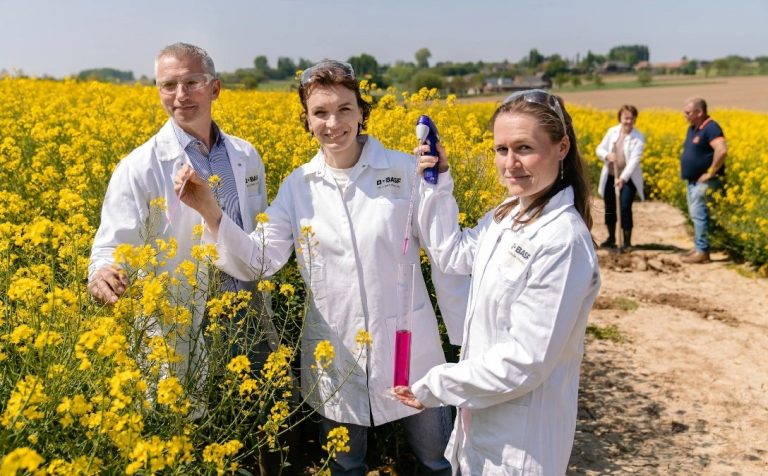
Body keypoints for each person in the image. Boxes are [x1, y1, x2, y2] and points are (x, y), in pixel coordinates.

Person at [175, 59, 469, 475]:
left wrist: (441, 181)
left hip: (410, 345)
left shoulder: (405, 170)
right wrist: (211, 212)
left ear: (362, 112)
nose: (333, 123)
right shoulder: (299, 186)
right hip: (337, 350)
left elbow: (446, 248)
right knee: (346, 464)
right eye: (320, 113)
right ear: (307, 120)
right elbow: (262, 258)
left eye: (345, 109)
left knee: (438, 459)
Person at [393, 90, 601, 475]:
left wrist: (434, 386)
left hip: (521, 445)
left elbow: (525, 361)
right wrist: (438, 182)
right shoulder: (508, 215)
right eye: (501, 149)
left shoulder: (562, 241)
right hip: (482, 424)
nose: (511, 163)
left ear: (561, 147)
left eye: (524, 147)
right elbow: (452, 253)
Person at [88, 42, 269, 378]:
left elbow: (259, 231)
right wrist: (102, 274)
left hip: (249, 319)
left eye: (192, 83)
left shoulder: (247, 155)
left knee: (253, 418)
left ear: (215, 88)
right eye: (168, 85)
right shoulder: (137, 167)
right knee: (190, 421)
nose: (180, 95)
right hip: (184, 319)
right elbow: (112, 245)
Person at [680, 97, 726, 264]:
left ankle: (703, 251)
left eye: (688, 112)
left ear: (700, 112)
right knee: (695, 215)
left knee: (699, 215)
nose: (684, 115)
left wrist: (711, 172)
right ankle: (699, 247)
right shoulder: (693, 128)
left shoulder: (711, 127)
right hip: (693, 181)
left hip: (704, 182)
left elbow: (721, 150)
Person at [595, 105, 645, 249]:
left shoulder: (638, 137)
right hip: (610, 175)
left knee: (624, 207)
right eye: (625, 118)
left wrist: (622, 178)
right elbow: (599, 149)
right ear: (620, 118)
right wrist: (607, 155)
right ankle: (611, 238)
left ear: (635, 119)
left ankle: (626, 242)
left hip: (628, 179)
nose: (627, 121)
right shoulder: (612, 132)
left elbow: (634, 161)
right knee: (610, 207)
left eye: (630, 118)